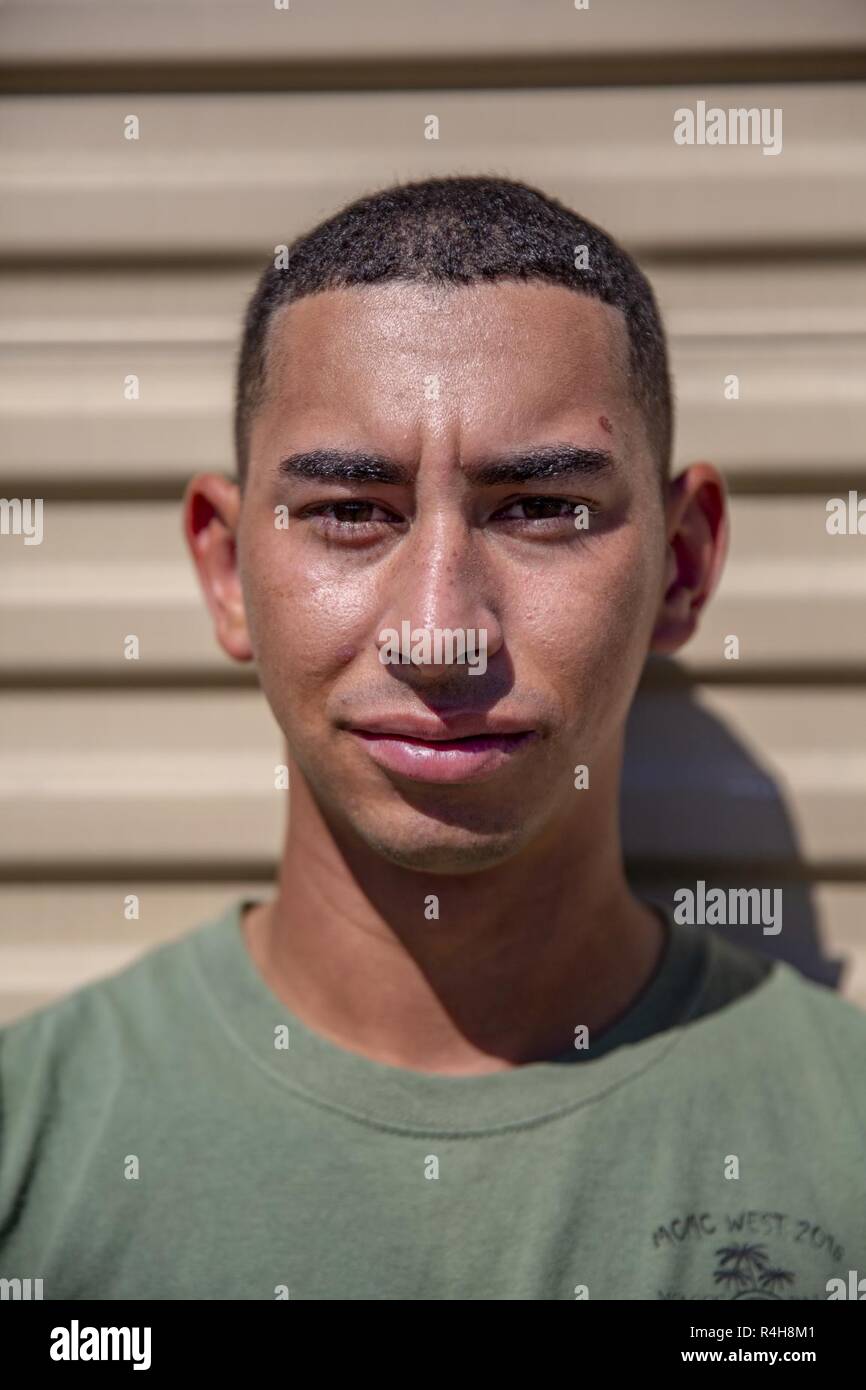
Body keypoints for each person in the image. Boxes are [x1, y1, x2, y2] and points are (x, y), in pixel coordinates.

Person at [2, 176, 864, 1302]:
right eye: (351, 512)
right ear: (225, 571)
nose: (438, 634)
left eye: (538, 509)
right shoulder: (30, 1145)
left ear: (683, 566)